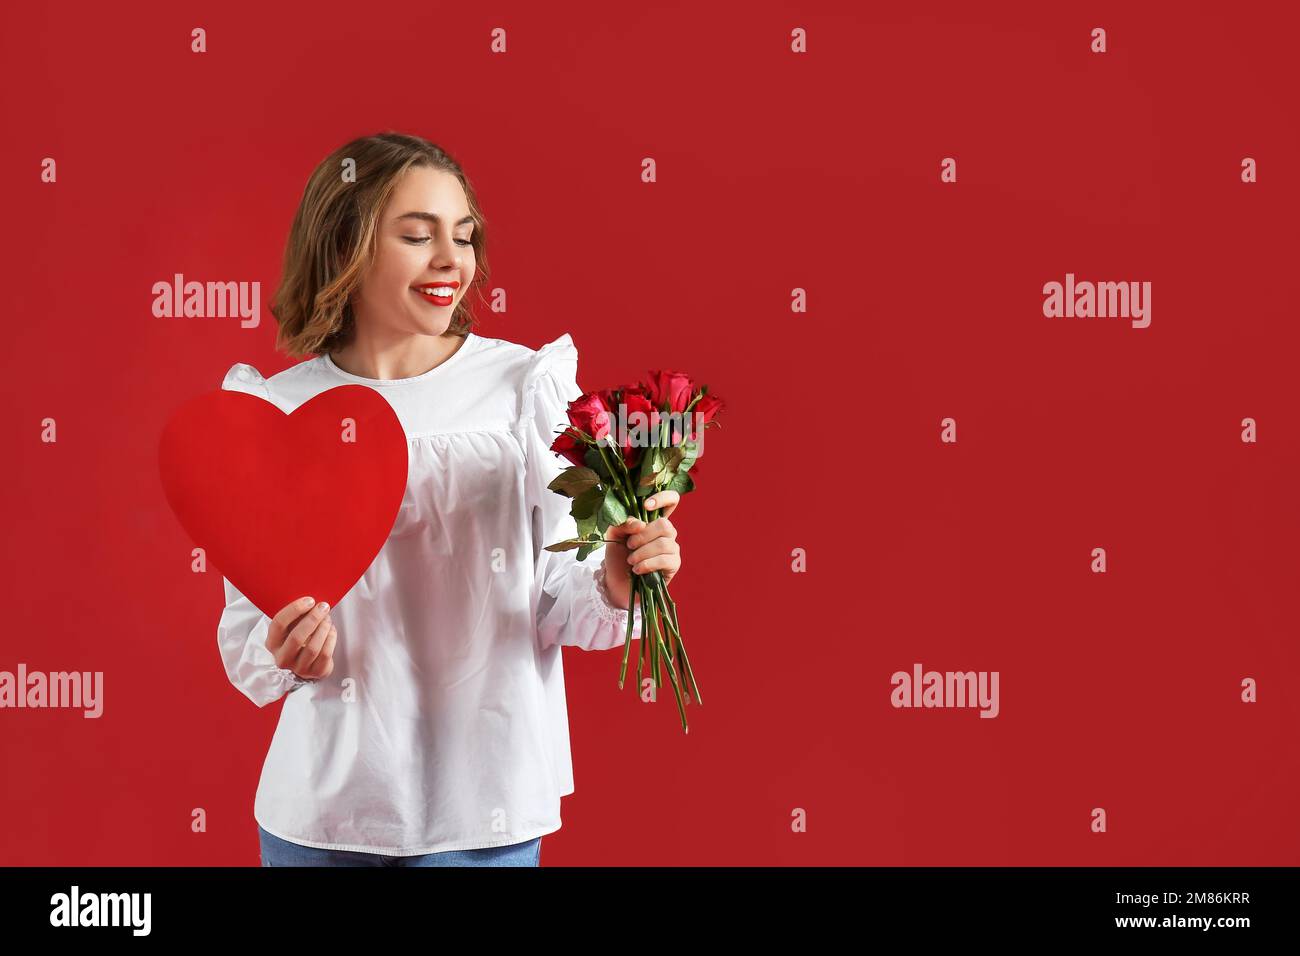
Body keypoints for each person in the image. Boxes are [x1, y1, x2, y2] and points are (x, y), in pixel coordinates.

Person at [216, 132, 685, 867]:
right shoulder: (274, 413)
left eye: (463, 237)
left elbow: (564, 598)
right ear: (346, 245)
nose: (451, 262)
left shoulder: (523, 391)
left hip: (482, 815)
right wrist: (286, 652)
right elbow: (249, 643)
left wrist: (615, 580)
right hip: (320, 818)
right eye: (416, 235)